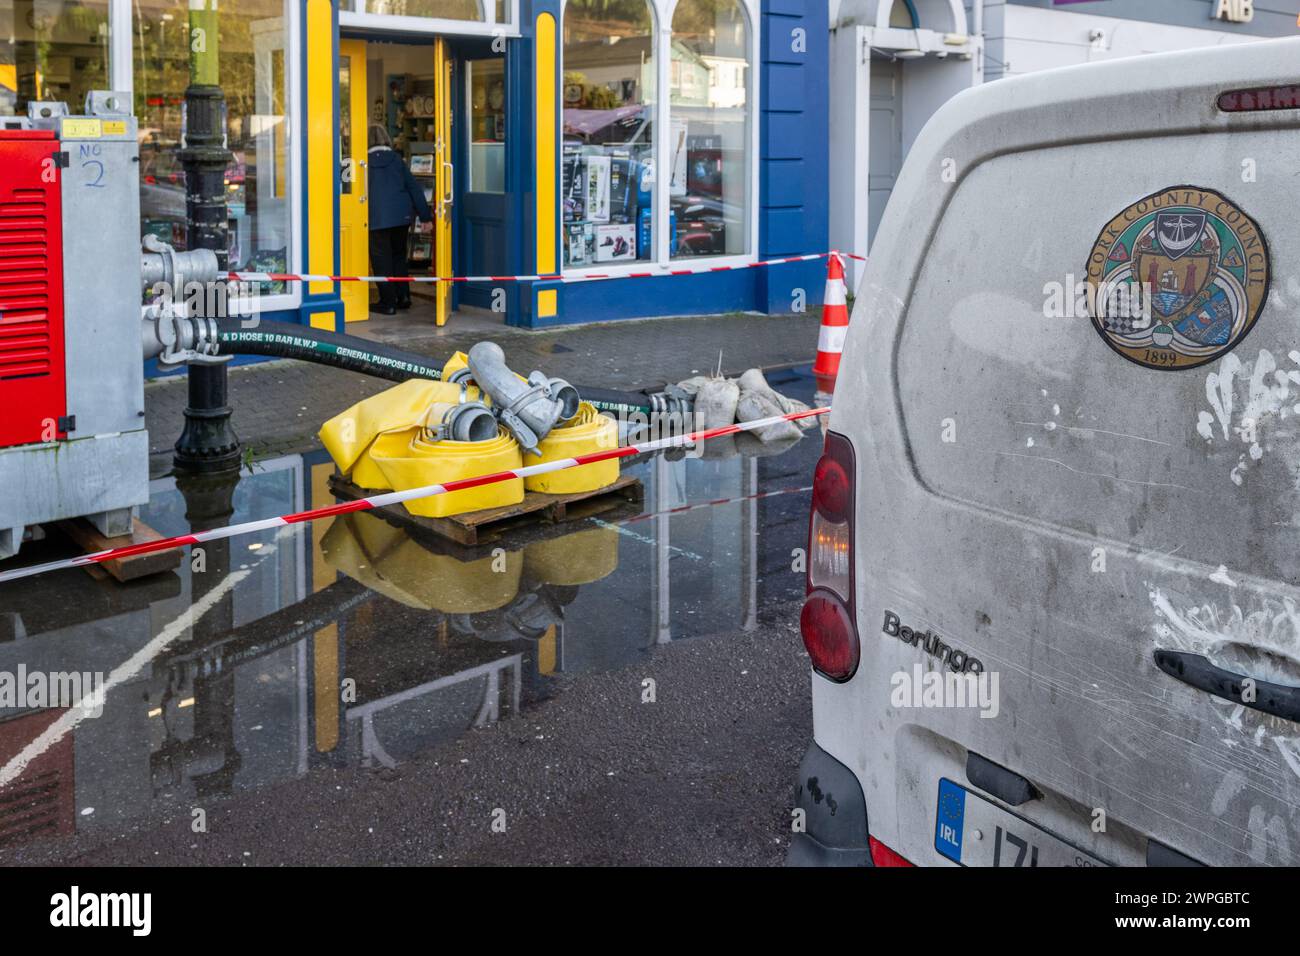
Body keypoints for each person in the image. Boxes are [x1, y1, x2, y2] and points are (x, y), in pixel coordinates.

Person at [366, 124, 433, 315]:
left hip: (376, 217)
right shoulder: (397, 160)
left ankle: (387, 303)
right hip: (401, 217)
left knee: (381, 261)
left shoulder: (364, 162)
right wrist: (425, 217)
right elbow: (414, 188)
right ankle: (404, 297)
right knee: (398, 257)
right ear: (386, 138)